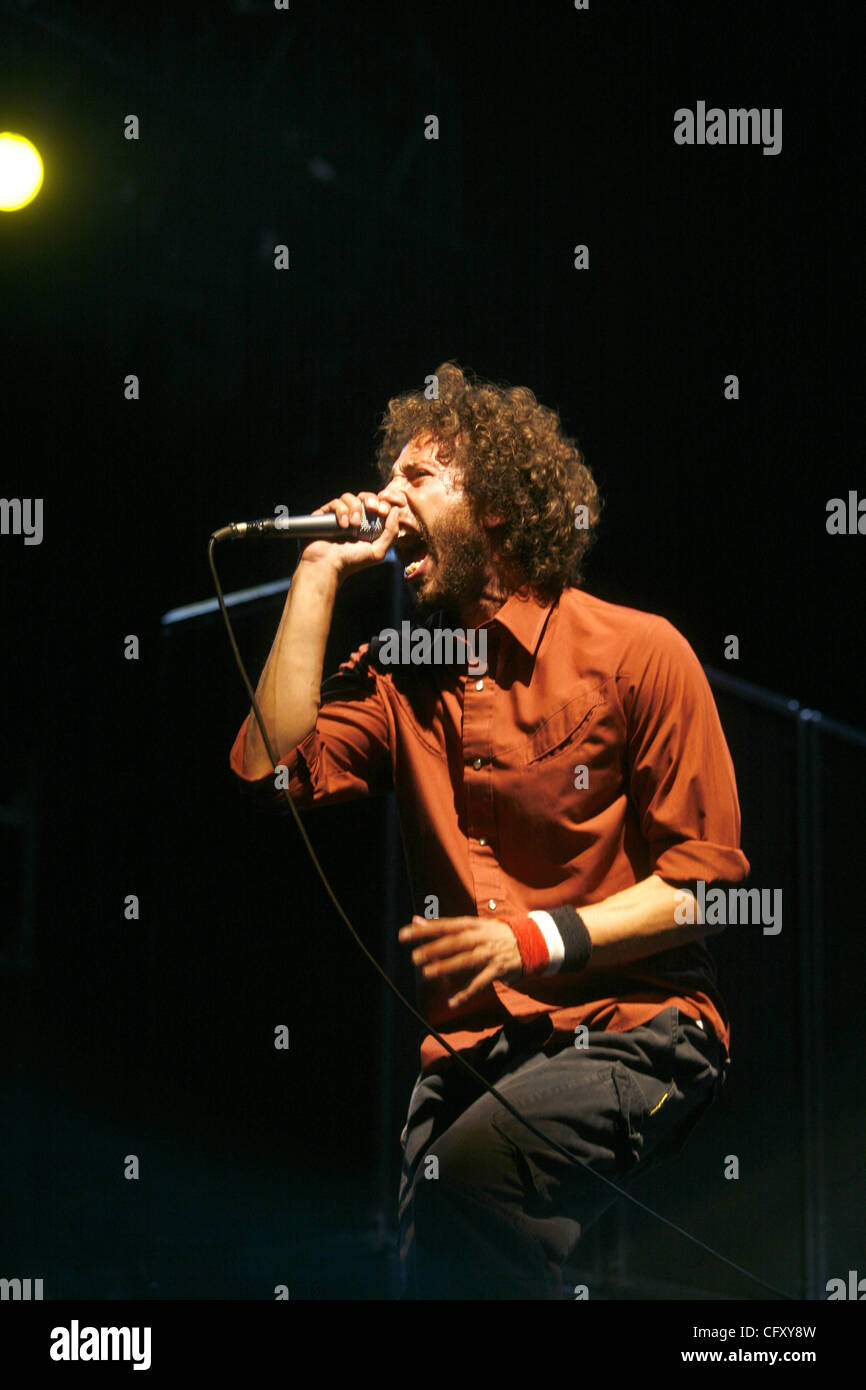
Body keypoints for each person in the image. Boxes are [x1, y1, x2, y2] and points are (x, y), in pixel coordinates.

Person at [229, 362, 750, 1300]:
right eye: (388, 480)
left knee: (469, 1189)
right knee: (437, 1266)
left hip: (632, 1029)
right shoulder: (397, 675)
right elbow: (271, 772)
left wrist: (531, 940)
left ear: (500, 508)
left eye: (418, 479)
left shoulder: (638, 653)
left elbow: (708, 884)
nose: (387, 500)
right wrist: (314, 575)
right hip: (470, 1061)